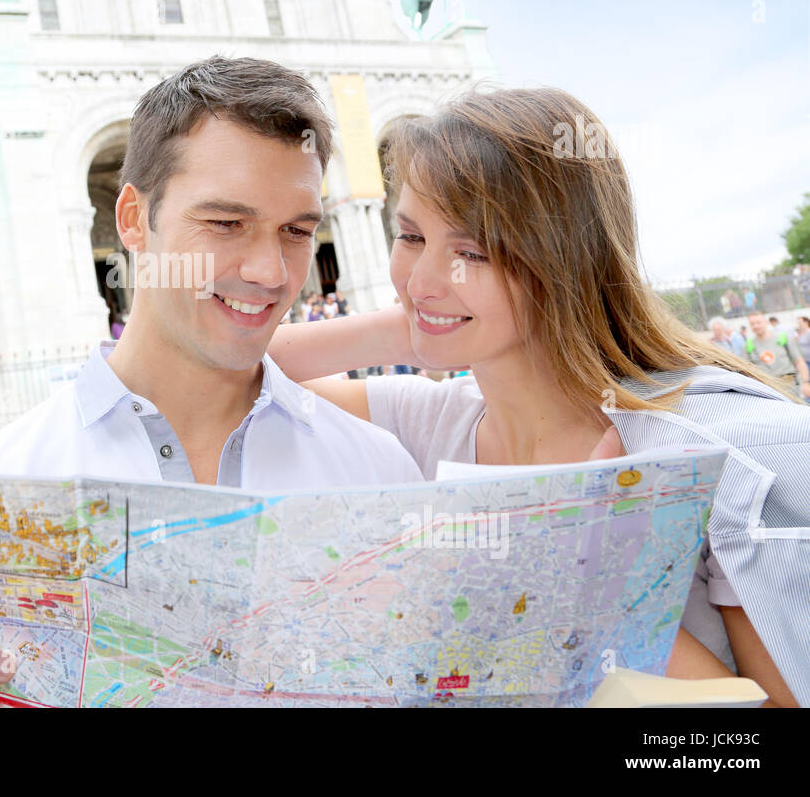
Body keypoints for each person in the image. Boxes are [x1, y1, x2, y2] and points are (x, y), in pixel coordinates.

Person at [0, 55, 424, 707]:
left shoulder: (382, 472)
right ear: (133, 220)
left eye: (297, 232)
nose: (271, 272)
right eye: (225, 223)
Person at [269, 86, 810, 707]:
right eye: (412, 236)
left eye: (471, 251)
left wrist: (586, 575)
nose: (419, 278)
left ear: (563, 265)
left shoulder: (707, 452)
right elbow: (228, 368)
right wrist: (413, 328)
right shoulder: (432, 420)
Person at [743, 310, 810, 400]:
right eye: (752, 324)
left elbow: (799, 362)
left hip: (790, 386)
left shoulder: (783, 338)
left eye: (758, 323)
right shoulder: (748, 345)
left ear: (766, 323)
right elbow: (746, 371)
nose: (756, 326)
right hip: (767, 390)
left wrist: (805, 382)